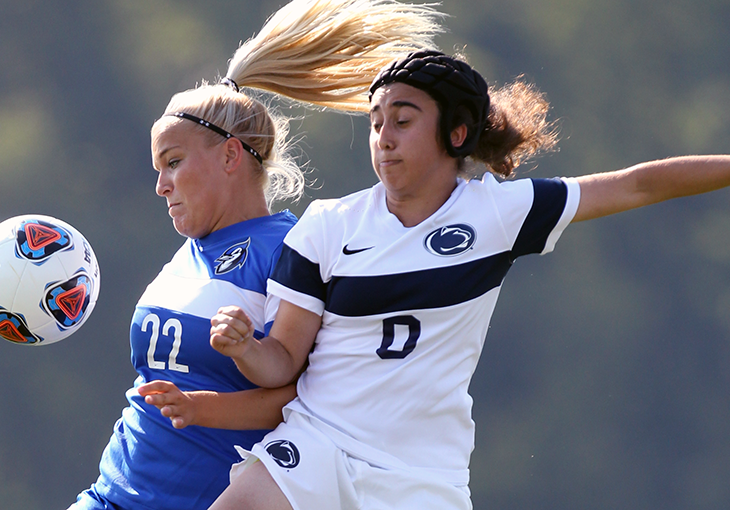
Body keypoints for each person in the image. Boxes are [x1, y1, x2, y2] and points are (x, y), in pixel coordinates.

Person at [208, 49, 730, 510]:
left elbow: (637, 186)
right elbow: (280, 363)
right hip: (317, 446)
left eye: (402, 121)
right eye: (375, 122)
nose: (384, 139)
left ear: (456, 133)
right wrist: (244, 348)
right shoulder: (327, 224)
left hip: (421, 475)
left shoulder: (498, 214)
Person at [69, 1, 443, 509]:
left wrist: (207, 402)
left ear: (229, 155)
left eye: (173, 162)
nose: (161, 185)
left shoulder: (292, 250)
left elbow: (313, 404)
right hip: (108, 494)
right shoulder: (187, 253)